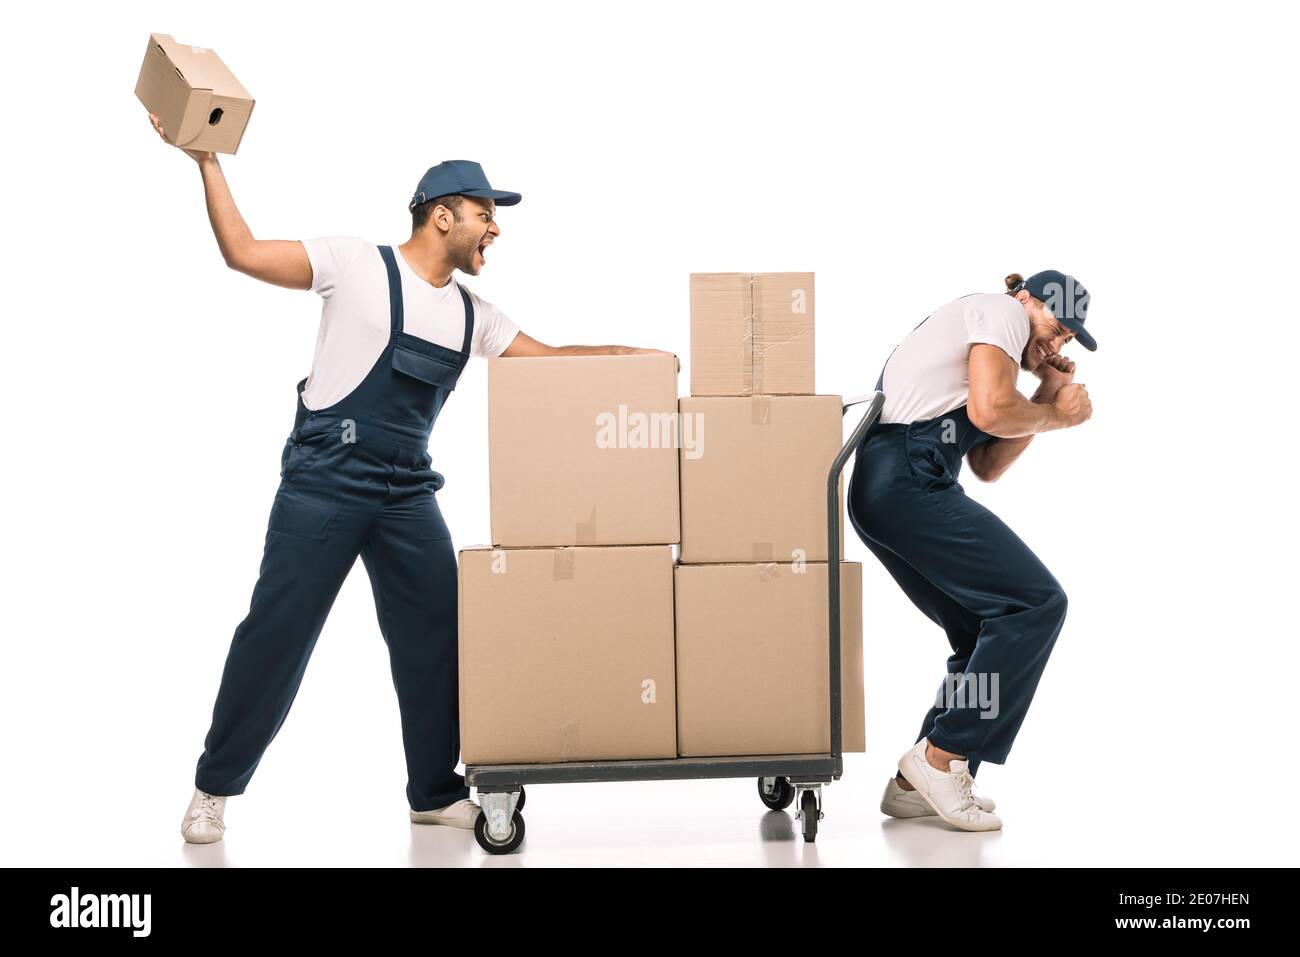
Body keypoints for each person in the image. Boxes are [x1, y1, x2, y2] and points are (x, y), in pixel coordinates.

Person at [147, 115, 674, 844]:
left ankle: (432, 789)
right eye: (487, 214)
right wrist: (205, 159)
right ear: (443, 214)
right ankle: (213, 787)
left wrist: (630, 356)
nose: (496, 229)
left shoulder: (472, 316)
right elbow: (241, 252)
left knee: (439, 633)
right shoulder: (353, 262)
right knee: (278, 633)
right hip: (323, 483)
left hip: (405, 494)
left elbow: (553, 360)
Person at [848, 271, 1095, 831]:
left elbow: (987, 464)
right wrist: (1060, 415)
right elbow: (989, 413)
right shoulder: (999, 312)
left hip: (896, 485)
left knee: (982, 630)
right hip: (908, 477)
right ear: (1025, 299)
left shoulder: (1000, 345)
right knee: (1037, 604)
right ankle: (942, 757)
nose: (1056, 346)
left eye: (1067, 341)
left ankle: (915, 785)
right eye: (1056, 329)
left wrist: (1045, 398)